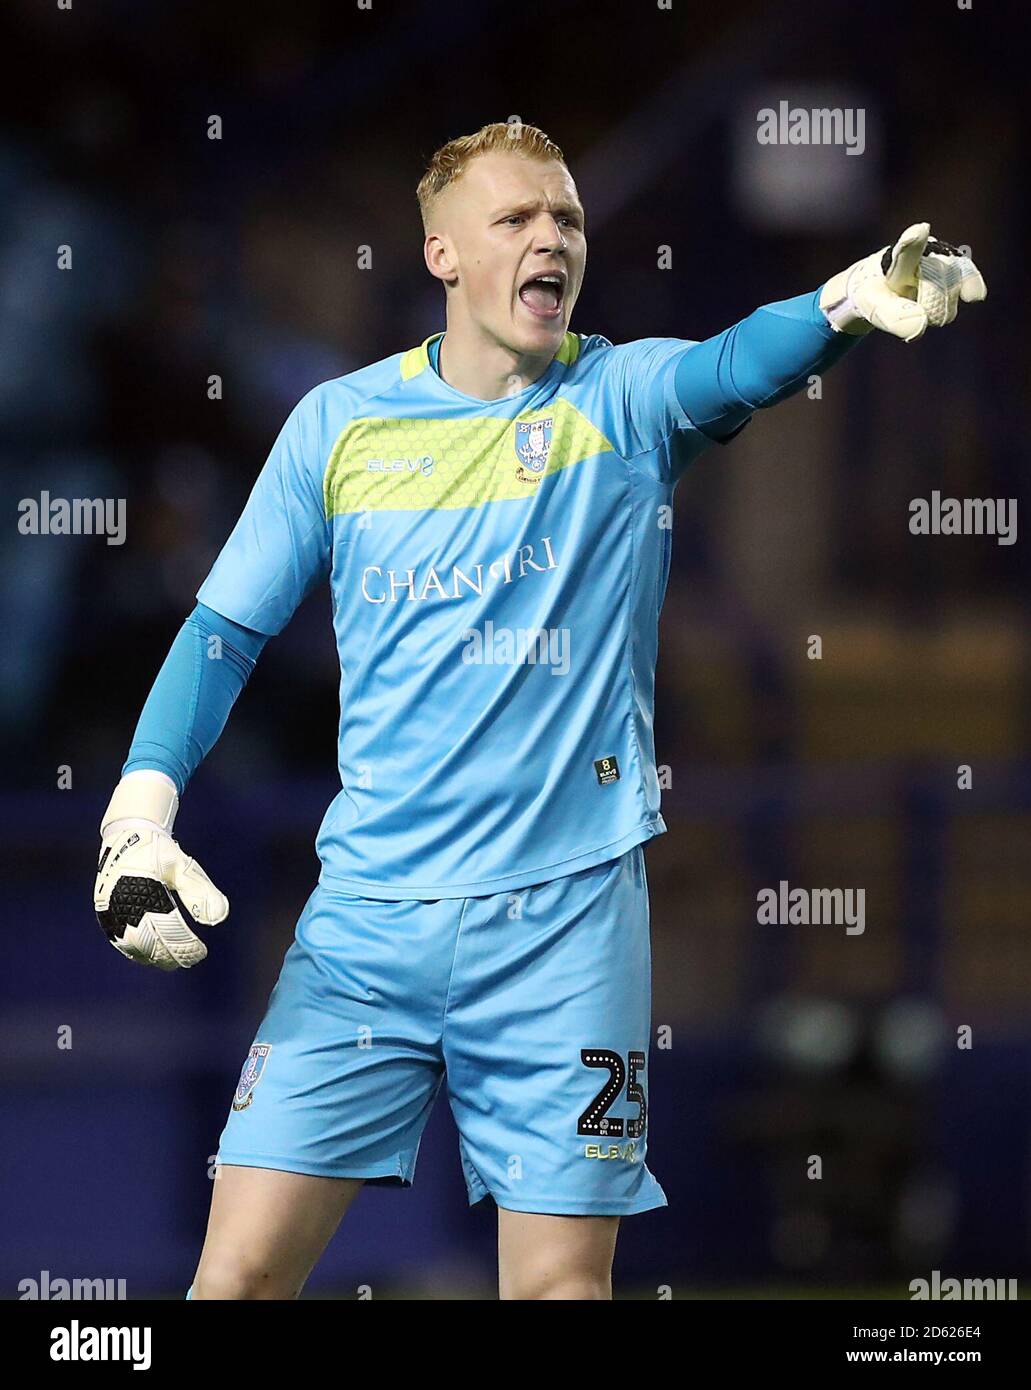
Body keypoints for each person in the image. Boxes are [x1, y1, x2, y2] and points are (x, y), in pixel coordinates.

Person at [93, 121, 986, 1300]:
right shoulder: (339, 426)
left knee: (560, 1290)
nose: (549, 238)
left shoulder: (618, 403)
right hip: (367, 926)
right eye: (514, 218)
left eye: (564, 218)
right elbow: (222, 634)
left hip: (564, 932)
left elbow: (728, 363)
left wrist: (840, 301)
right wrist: (136, 811)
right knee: (238, 1279)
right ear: (442, 254)